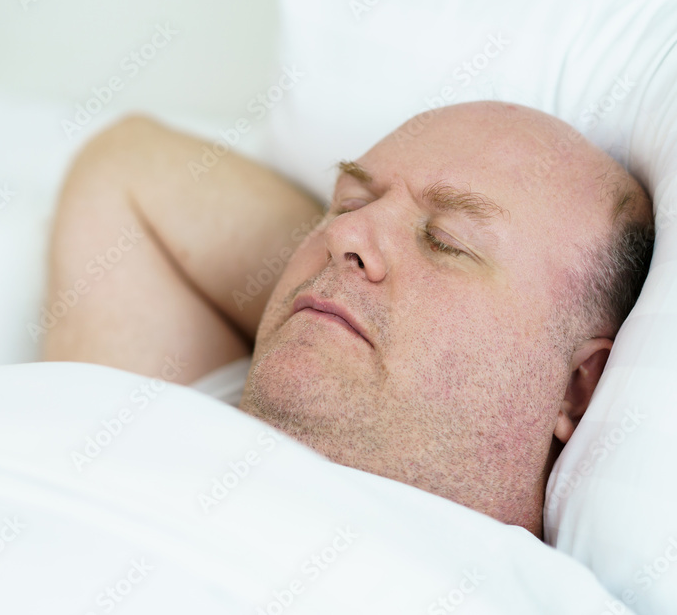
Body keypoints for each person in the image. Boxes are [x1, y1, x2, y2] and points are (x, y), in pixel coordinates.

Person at [40, 101, 655, 538]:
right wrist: (329, 303)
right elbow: (128, 164)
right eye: (350, 202)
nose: (342, 234)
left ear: (577, 389)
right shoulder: (150, 429)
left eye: (443, 240)